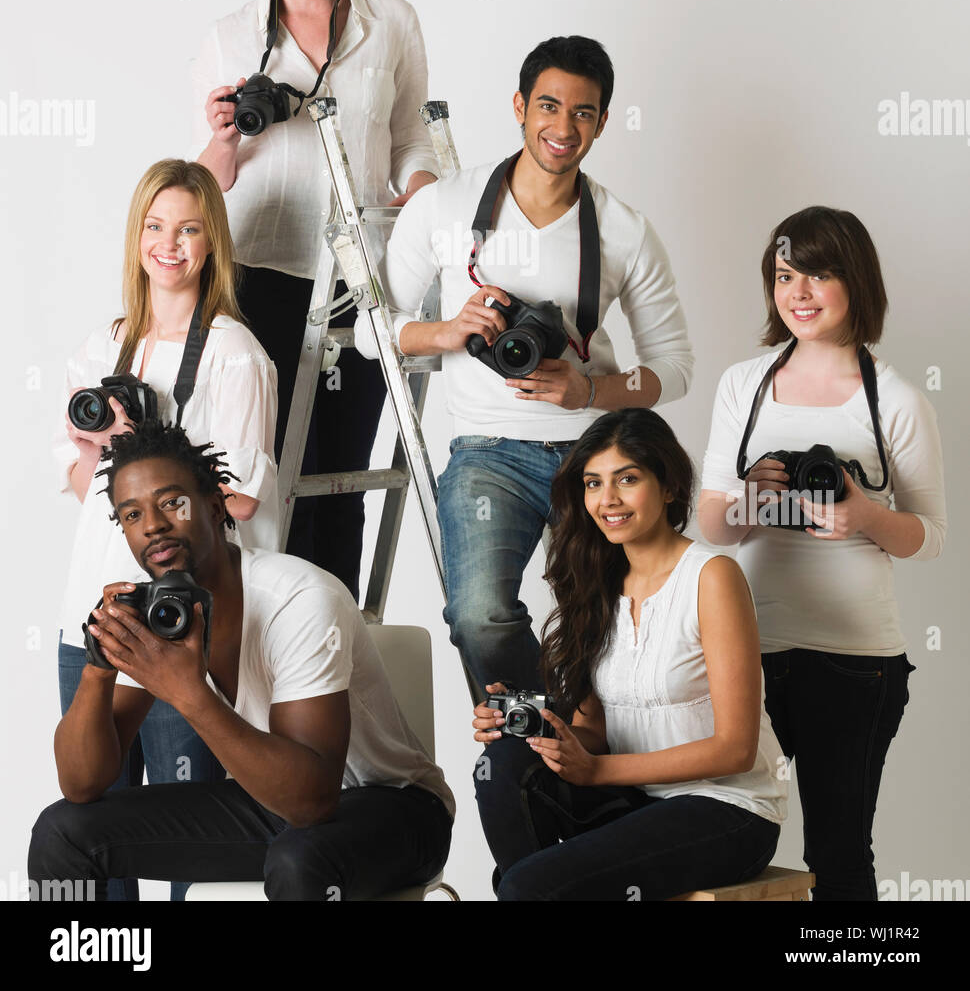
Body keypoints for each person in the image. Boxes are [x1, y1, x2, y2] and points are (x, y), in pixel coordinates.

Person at [355, 35, 693, 692]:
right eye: (548, 106)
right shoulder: (445, 206)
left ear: (602, 120)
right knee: (479, 615)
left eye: (584, 112)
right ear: (519, 105)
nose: (563, 127)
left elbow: (674, 367)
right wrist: (448, 332)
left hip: (596, 456)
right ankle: (541, 729)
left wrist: (591, 388)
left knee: (618, 624)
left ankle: (594, 754)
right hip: (489, 454)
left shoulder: (623, 230)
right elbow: (372, 332)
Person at [30, 421, 454, 902]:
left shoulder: (299, 597)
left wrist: (187, 694)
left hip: (395, 810)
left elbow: (313, 801)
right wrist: (98, 667)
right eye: (131, 514)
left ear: (214, 507)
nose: (152, 525)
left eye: (171, 502)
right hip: (275, 805)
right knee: (61, 831)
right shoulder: (156, 610)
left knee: (299, 859)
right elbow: (81, 784)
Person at [194, 0, 438, 599]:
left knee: (345, 476)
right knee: (270, 477)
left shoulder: (390, 20)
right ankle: (278, 644)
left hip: (362, 277)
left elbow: (409, 137)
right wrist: (222, 135)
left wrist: (424, 193)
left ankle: (339, 660)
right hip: (262, 274)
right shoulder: (230, 36)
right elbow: (210, 183)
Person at [697, 207, 947, 902]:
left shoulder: (895, 399)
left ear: (855, 282)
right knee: (719, 838)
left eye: (819, 273)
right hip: (745, 649)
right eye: (784, 276)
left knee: (837, 851)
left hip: (855, 661)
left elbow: (932, 536)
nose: (799, 292)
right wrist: (749, 494)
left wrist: (865, 515)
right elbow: (713, 526)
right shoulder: (743, 384)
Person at [55, 158, 278, 898]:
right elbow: (80, 482)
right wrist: (104, 447)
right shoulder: (104, 345)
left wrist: (152, 447)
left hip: (182, 616)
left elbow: (241, 501)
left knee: (181, 830)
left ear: (212, 240)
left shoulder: (236, 354)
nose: (169, 245)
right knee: (94, 817)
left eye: (187, 229)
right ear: (136, 236)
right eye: (155, 227)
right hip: (95, 609)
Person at [470, 409, 786, 901]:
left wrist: (597, 772)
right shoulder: (593, 585)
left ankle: (527, 890)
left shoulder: (711, 577)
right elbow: (594, 731)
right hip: (633, 803)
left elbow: (736, 749)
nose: (607, 500)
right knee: (505, 760)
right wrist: (537, 729)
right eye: (593, 483)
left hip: (725, 808)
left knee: (529, 886)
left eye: (627, 479)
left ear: (668, 486)